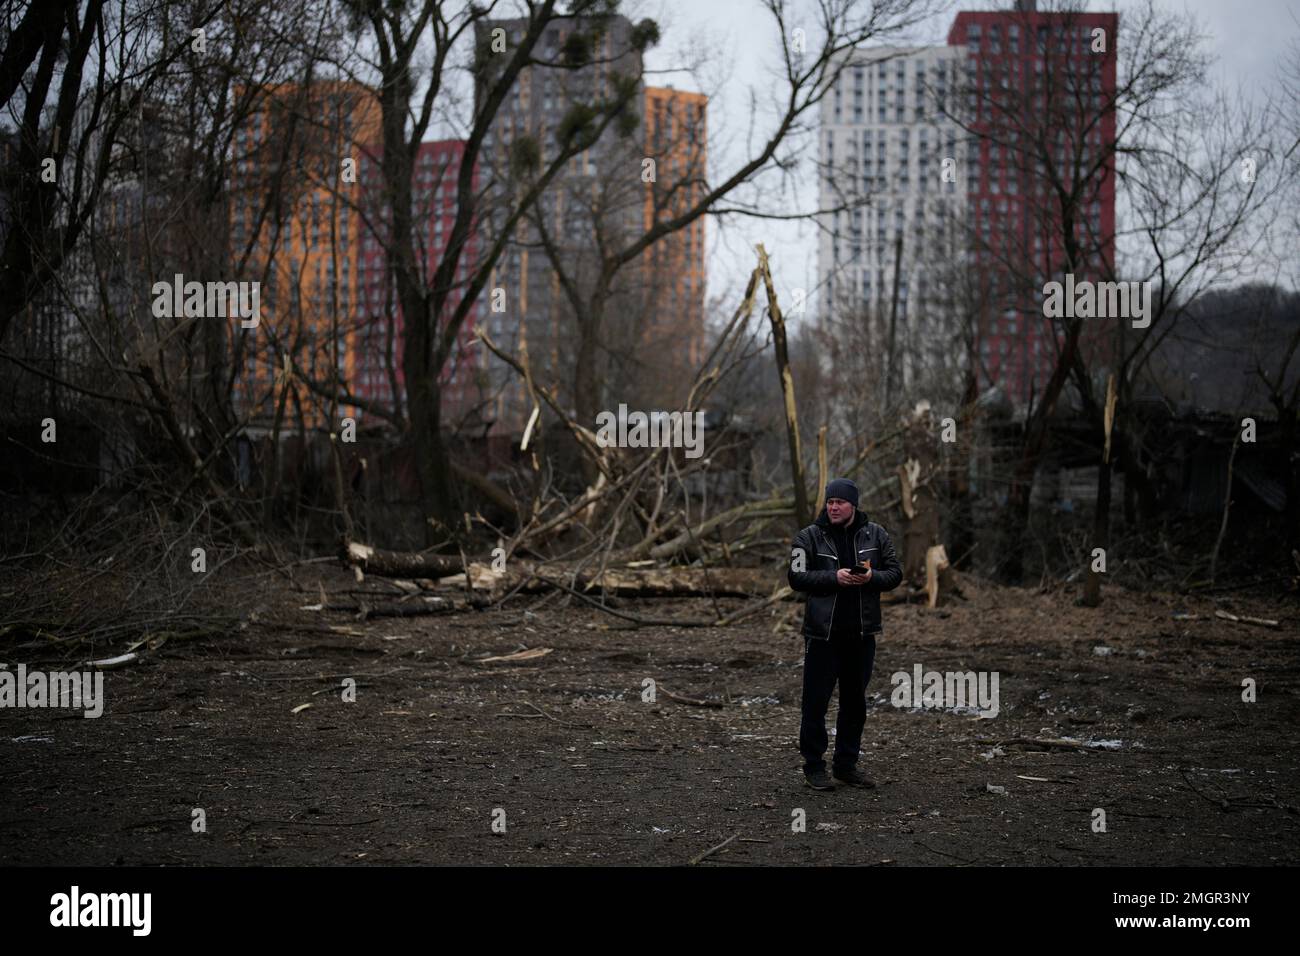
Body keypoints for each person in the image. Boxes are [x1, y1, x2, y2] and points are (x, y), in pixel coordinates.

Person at [787, 477, 902, 790]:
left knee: (855, 703)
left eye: (840, 502)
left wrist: (871, 577)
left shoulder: (876, 534)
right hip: (822, 636)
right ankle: (814, 766)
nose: (833, 507)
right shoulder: (807, 537)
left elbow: (895, 573)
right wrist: (833, 577)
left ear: (854, 505)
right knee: (815, 703)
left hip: (861, 636)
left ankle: (846, 764)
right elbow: (796, 577)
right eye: (830, 502)